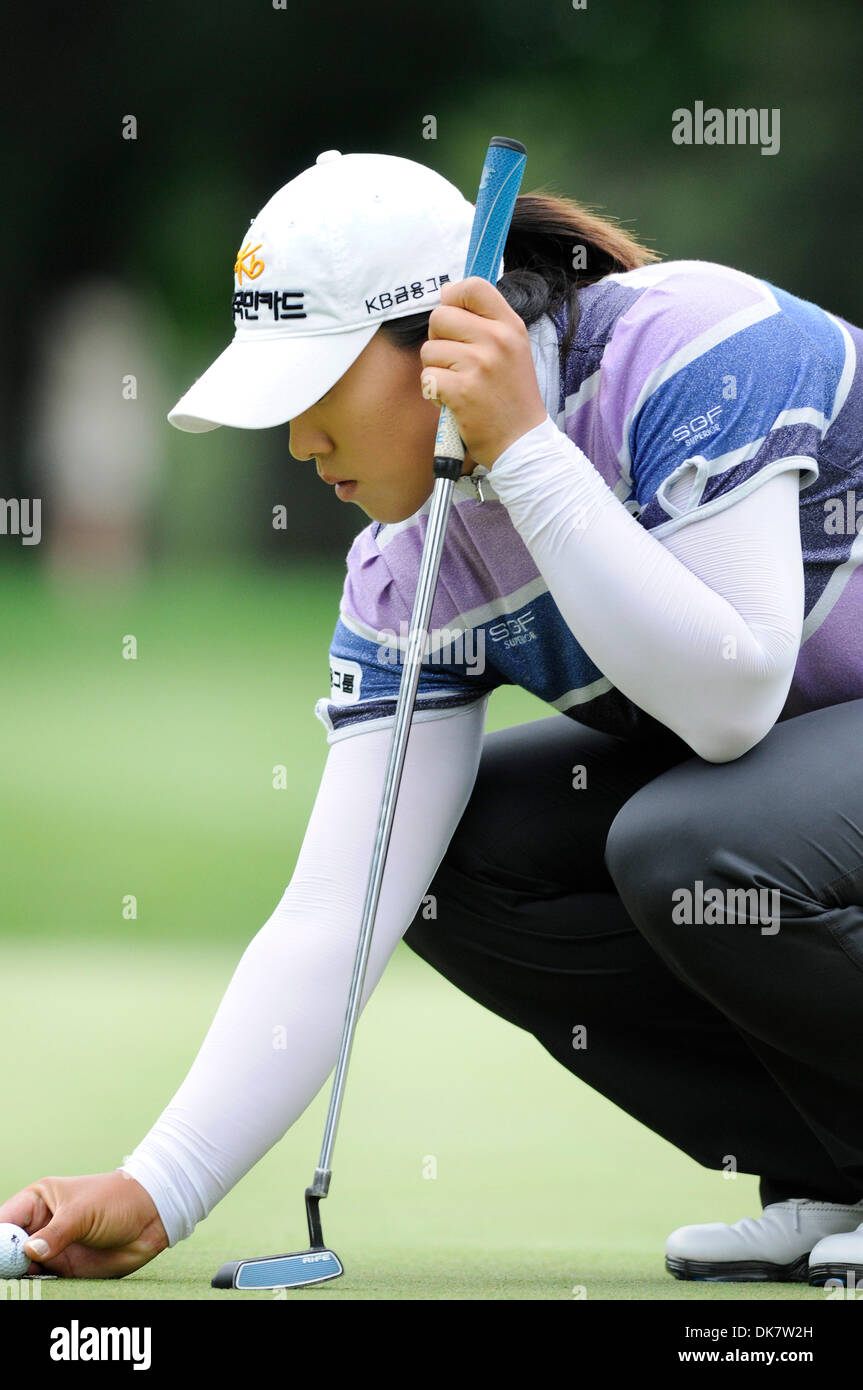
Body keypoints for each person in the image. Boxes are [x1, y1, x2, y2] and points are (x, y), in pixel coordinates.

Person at [4, 148, 863, 1287]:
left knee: (688, 843)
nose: (298, 440)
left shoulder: (689, 349)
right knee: (448, 865)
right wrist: (162, 1185)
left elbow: (728, 699)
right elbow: (339, 906)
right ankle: (828, 1167)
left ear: (451, 333)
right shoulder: (407, 567)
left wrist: (524, 451)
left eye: (317, 388)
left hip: (780, 756)